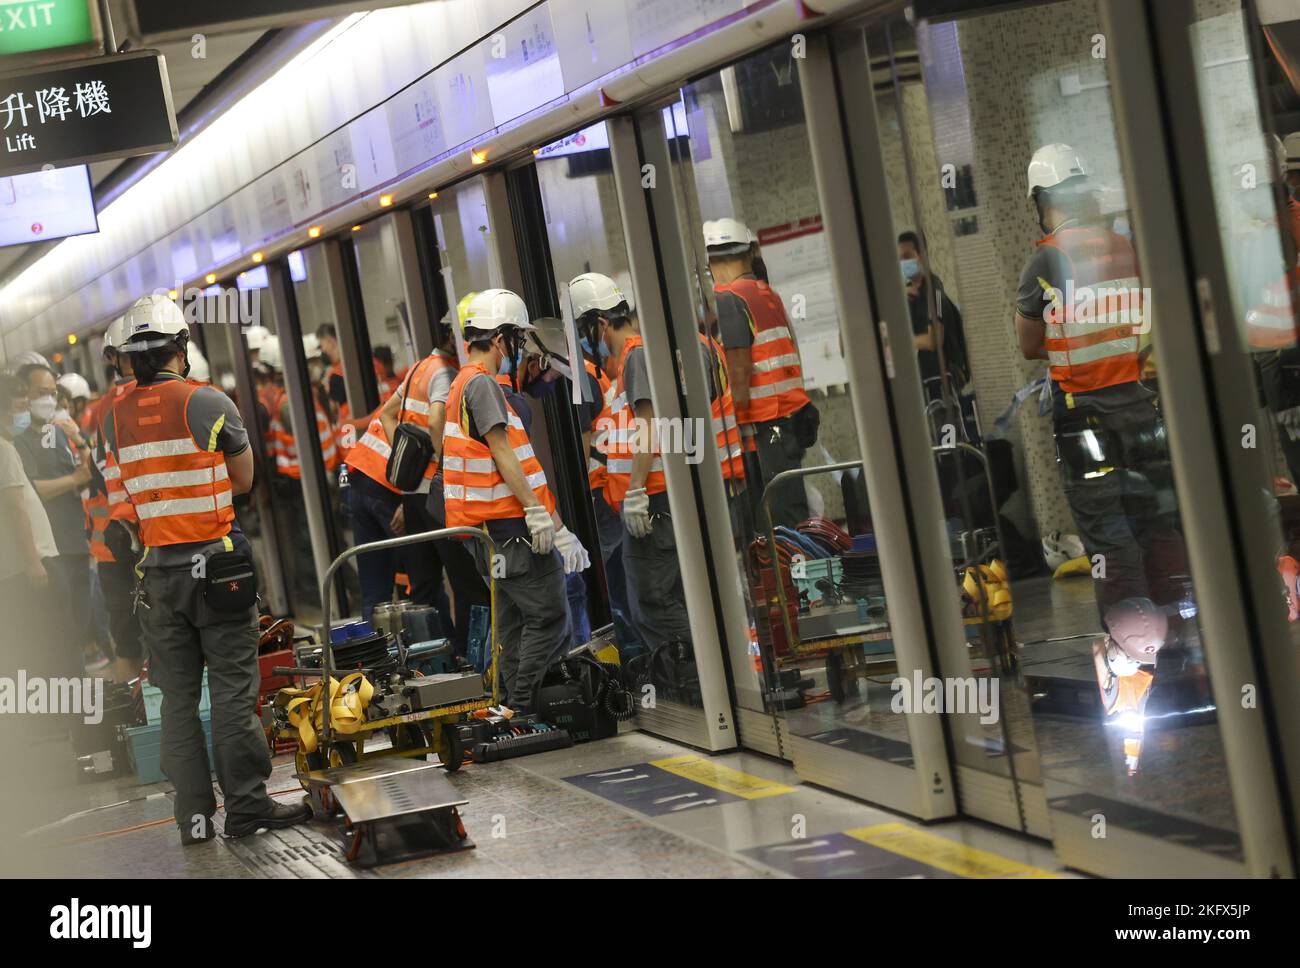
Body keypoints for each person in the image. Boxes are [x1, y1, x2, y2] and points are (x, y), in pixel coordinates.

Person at [104, 293, 310, 843]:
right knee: (233, 693)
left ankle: (193, 820)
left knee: (177, 702)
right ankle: (246, 808)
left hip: (157, 578)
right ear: (181, 347)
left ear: (129, 357)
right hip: (218, 574)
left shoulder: (112, 418)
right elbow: (244, 480)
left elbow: (126, 494)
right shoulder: (208, 402)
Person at [1015, 144, 1187, 625]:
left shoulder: (1045, 262)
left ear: (1041, 200)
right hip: (1142, 412)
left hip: (1085, 421)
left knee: (1109, 538)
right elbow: (1143, 328)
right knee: (1157, 526)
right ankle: (1175, 626)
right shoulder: (1126, 248)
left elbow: (1029, 345)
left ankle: (1131, 644)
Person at [441, 289, 588, 712]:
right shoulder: (484, 385)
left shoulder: (461, 383)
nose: (518, 349)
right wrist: (538, 515)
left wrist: (555, 525)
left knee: (511, 623)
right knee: (549, 616)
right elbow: (504, 454)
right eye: (516, 339)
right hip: (512, 532)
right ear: (499, 339)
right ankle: (523, 703)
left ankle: (508, 704)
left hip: (489, 535)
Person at [596, 291, 694, 658]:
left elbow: (647, 424)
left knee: (652, 603)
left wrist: (635, 492)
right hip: (655, 497)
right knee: (663, 597)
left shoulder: (635, 356)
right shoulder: (635, 357)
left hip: (650, 499)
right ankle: (695, 671)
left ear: (601, 324)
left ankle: (691, 674)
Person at [707, 217, 816, 528]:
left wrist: (724, 433)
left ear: (716, 261)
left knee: (775, 527)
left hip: (764, 431)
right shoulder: (766, 293)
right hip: (788, 424)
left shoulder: (730, 298)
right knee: (791, 521)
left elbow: (739, 375)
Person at [377, 312, 471, 645]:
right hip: (436, 493)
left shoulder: (419, 367)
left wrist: (408, 456)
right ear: (451, 338)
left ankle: (436, 657)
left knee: (424, 588)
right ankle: (468, 654)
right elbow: (435, 421)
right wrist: (443, 465)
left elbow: (387, 414)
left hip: (413, 495)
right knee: (465, 581)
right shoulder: (445, 371)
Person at [12, 362, 96, 674]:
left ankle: (77, 686)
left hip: (75, 544)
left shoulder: (58, 433)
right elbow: (32, 491)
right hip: (50, 552)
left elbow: (86, 475)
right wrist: (73, 480)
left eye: (51, 393)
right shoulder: (18, 442)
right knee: (61, 636)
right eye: (40, 393)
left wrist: (81, 443)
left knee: (79, 628)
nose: (47, 400)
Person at [85, 318, 146, 681]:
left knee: (130, 632)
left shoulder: (106, 407)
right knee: (134, 629)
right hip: (133, 534)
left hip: (123, 535)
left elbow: (98, 473)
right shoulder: (112, 406)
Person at [898, 230, 969, 402]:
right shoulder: (908, 294)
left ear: (922, 255)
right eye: (900, 258)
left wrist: (902, 341)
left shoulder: (934, 291)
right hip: (923, 382)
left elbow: (934, 340)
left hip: (942, 384)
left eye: (908, 256)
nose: (903, 262)